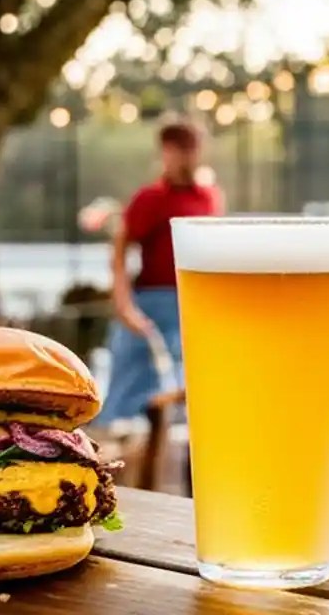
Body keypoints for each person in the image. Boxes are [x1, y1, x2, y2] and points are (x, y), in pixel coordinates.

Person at [94, 121, 224, 428]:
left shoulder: (207, 197)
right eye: (178, 150)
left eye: (191, 149)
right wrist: (124, 304)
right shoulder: (150, 199)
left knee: (181, 391)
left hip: (191, 304)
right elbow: (120, 248)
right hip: (149, 304)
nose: (186, 157)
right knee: (129, 385)